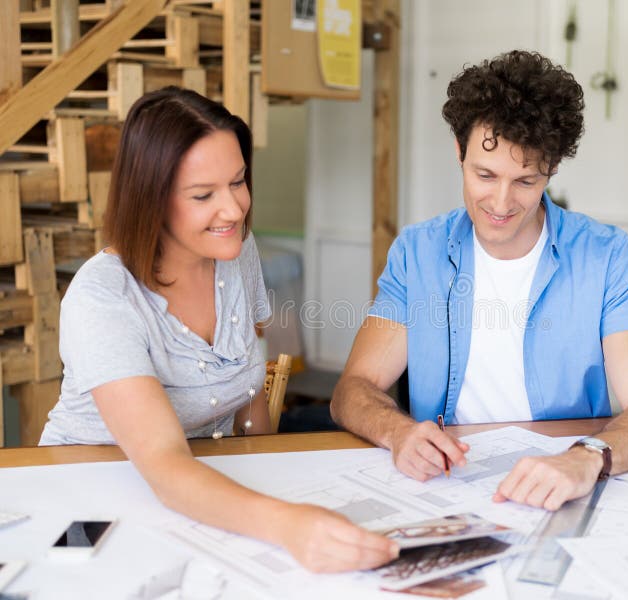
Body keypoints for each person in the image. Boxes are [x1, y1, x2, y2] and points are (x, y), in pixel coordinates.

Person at [39, 87, 398, 572]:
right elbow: (164, 462)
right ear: (150, 199)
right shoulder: (102, 298)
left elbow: (246, 386)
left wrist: (274, 477)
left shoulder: (235, 250)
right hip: (91, 501)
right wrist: (287, 524)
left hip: (198, 490)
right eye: (203, 195)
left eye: (238, 182)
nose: (233, 210)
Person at [331, 50, 628, 511]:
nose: (500, 202)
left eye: (525, 181)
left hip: (565, 481)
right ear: (459, 152)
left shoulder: (608, 257)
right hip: (447, 485)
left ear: (552, 167)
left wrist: (588, 457)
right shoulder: (417, 253)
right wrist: (397, 432)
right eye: (485, 174)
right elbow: (353, 389)